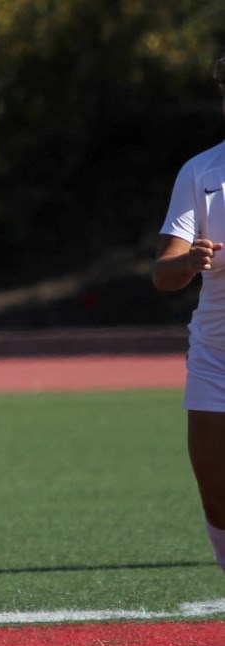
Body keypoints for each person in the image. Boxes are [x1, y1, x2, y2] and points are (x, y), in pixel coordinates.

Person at [152, 55, 225, 578]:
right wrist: (189, 261)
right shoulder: (201, 171)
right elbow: (164, 273)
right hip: (215, 360)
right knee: (218, 498)